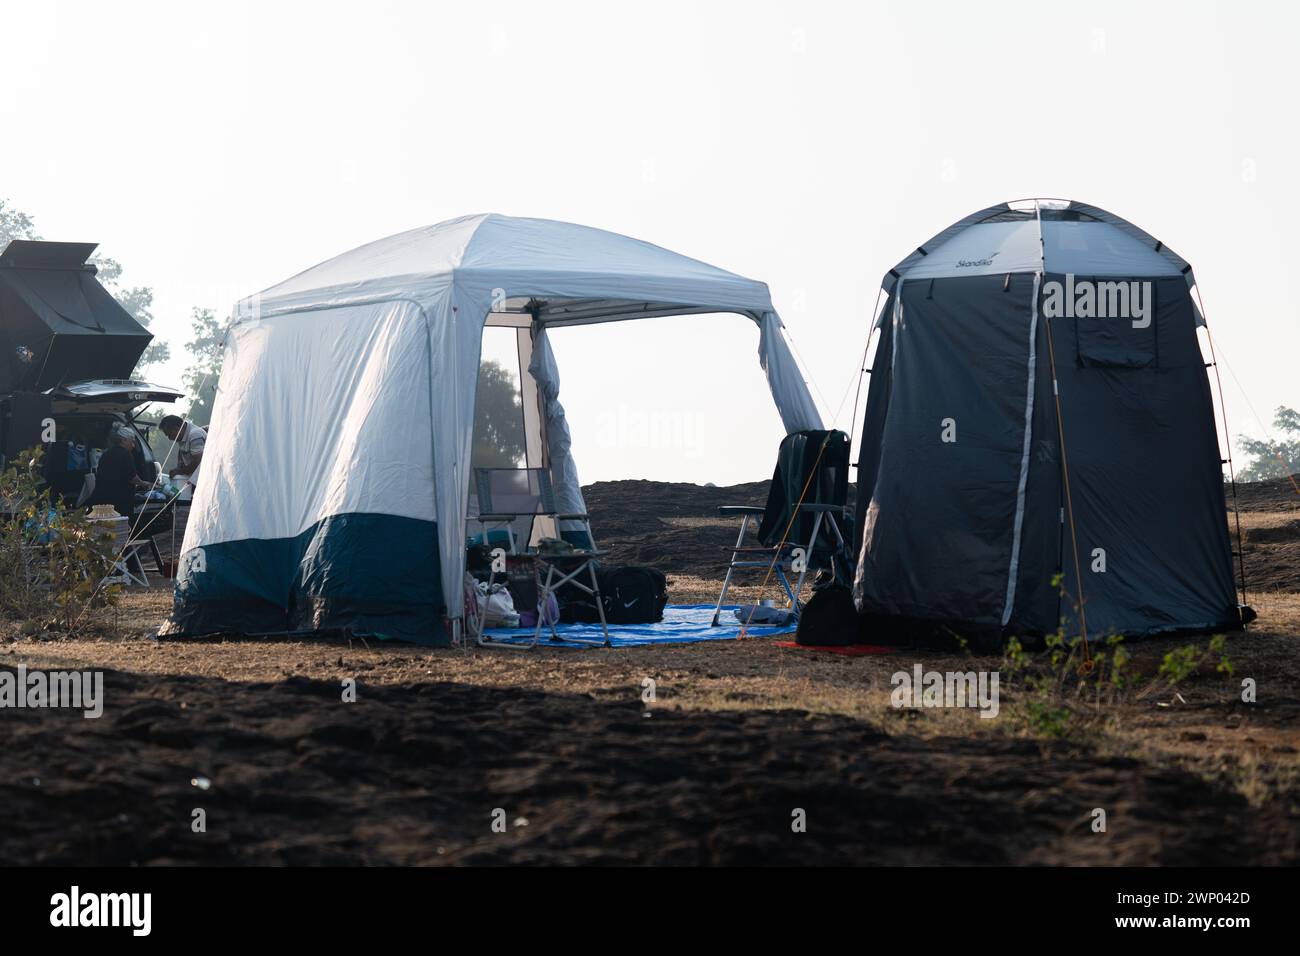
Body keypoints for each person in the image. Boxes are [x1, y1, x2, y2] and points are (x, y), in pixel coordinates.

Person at [82, 425, 151, 518]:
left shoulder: (106, 453)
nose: (133, 445)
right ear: (123, 440)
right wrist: (144, 483)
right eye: (132, 442)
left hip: (102, 499)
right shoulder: (125, 454)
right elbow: (132, 477)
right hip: (119, 501)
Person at [159, 415, 207, 483]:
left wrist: (179, 471)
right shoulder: (183, 435)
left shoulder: (195, 435)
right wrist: (178, 470)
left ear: (177, 428)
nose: (169, 438)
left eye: (169, 434)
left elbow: (197, 461)